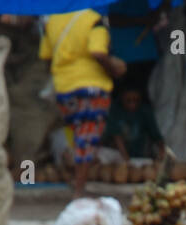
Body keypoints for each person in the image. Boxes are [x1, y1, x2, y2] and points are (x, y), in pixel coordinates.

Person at [40, 9, 126, 198]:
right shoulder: (93, 20)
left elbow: (46, 56)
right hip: (91, 87)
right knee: (87, 137)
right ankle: (79, 189)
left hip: (64, 88)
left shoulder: (53, 20)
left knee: (75, 135)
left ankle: (74, 180)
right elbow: (97, 52)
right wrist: (113, 68)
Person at [104, 85, 165, 161]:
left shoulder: (145, 111)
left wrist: (162, 152)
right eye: (128, 100)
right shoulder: (115, 110)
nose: (132, 104)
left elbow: (156, 135)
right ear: (122, 97)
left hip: (137, 156)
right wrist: (126, 160)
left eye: (136, 100)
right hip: (118, 155)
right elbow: (116, 136)